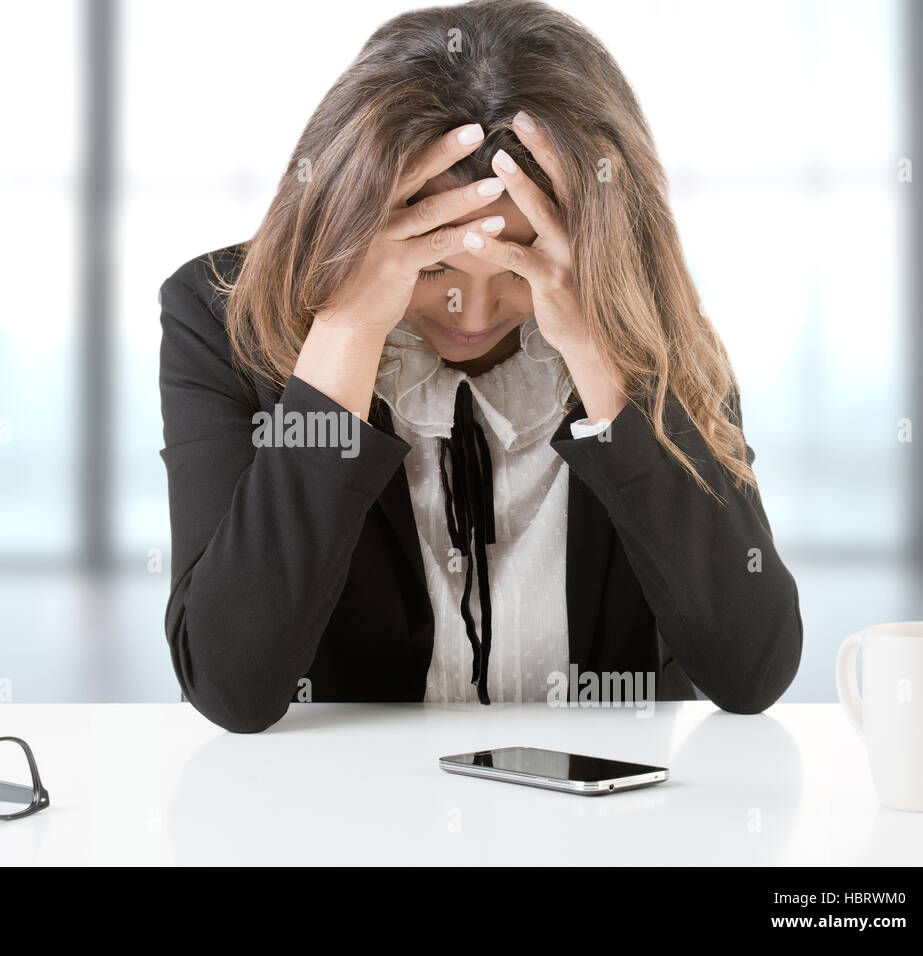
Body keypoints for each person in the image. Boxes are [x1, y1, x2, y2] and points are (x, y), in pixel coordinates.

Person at [157, 0, 802, 733]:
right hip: (341, 816)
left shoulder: (642, 316)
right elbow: (230, 686)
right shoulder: (220, 315)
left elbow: (751, 671)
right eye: (433, 268)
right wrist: (346, 328)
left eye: (520, 268)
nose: (473, 315)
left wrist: (600, 355)